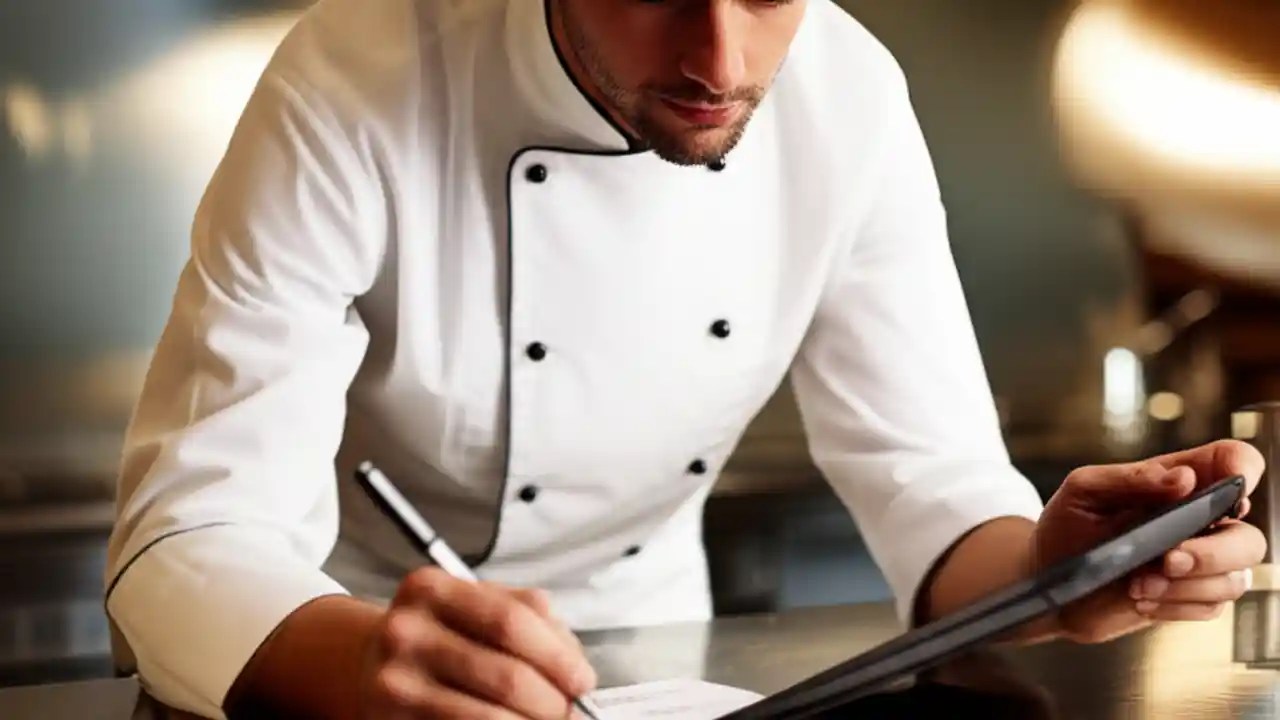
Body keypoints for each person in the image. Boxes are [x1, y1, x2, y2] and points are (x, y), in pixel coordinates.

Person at [103, 1, 1267, 719]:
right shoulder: (350, 77)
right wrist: (362, 673)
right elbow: (188, 542)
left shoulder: (848, 97)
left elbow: (933, 486)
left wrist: (1052, 573)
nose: (717, 56)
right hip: (350, 660)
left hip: (667, 679)